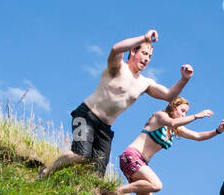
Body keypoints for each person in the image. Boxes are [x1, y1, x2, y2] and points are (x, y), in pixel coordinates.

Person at [39, 30, 193, 179]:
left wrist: (184, 79)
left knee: (97, 173)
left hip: (105, 128)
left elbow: (169, 96)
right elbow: (116, 49)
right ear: (133, 51)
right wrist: (144, 38)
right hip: (86, 116)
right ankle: (47, 172)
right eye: (144, 53)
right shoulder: (118, 67)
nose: (147, 59)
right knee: (81, 154)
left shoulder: (145, 83)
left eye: (150, 57)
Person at [116, 98, 224, 195]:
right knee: (156, 185)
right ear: (173, 108)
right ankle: (115, 191)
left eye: (186, 113)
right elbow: (172, 122)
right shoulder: (159, 116)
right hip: (132, 156)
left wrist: (217, 131)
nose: (184, 115)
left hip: (141, 163)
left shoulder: (175, 129)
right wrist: (196, 116)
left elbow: (197, 136)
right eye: (182, 111)